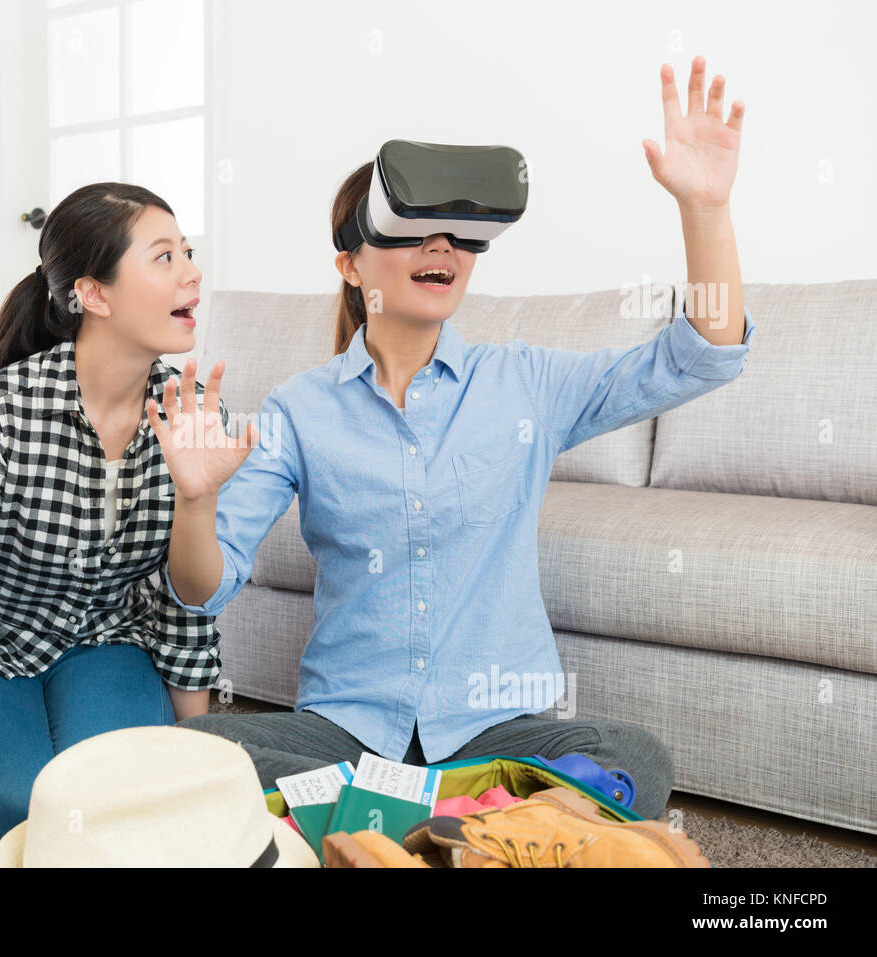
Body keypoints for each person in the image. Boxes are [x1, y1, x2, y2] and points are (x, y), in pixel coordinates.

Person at [155, 55, 754, 821]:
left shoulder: (524, 383)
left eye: (459, 234)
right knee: (201, 750)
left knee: (632, 758)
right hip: (347, 728)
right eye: (410, 230)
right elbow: (201, 587)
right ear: (350, 262)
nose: (441, 248)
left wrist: (704, 208)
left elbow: (703, 356)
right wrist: (196, 500)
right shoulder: (298, 409)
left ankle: (385, 818)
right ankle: (463, 821)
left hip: (497, 732)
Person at [0, 182, 232, 862]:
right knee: (16, 808)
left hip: (109, 644)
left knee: (115, 806)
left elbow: (187, 606)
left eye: (189, 253)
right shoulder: (0, 411)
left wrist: (200, 774)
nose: (192, 273)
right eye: (164, 256)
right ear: (95, 294)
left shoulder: (188, 412)